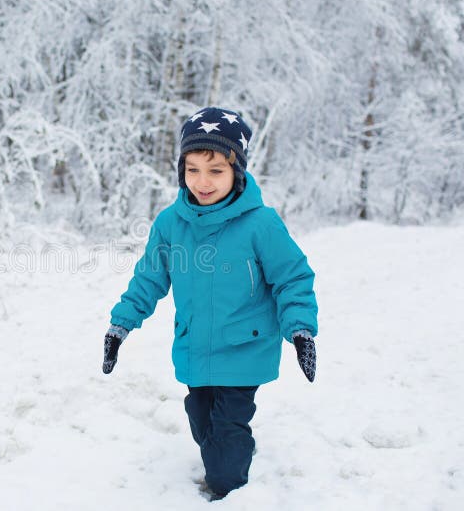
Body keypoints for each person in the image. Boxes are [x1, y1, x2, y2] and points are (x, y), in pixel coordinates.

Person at [102, 106, 318, 501]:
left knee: (226, 439)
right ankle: (228, 455)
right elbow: (149, 278)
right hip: (194, 347)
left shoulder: (261, 224)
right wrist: (121, 324)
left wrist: (300, 329)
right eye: (193, 169)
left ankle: (229, 490)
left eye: (216, 170)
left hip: (245, 347)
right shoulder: (170, 223)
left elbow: (292, 277)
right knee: (202, 423)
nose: (202, 181)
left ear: (237, 172)